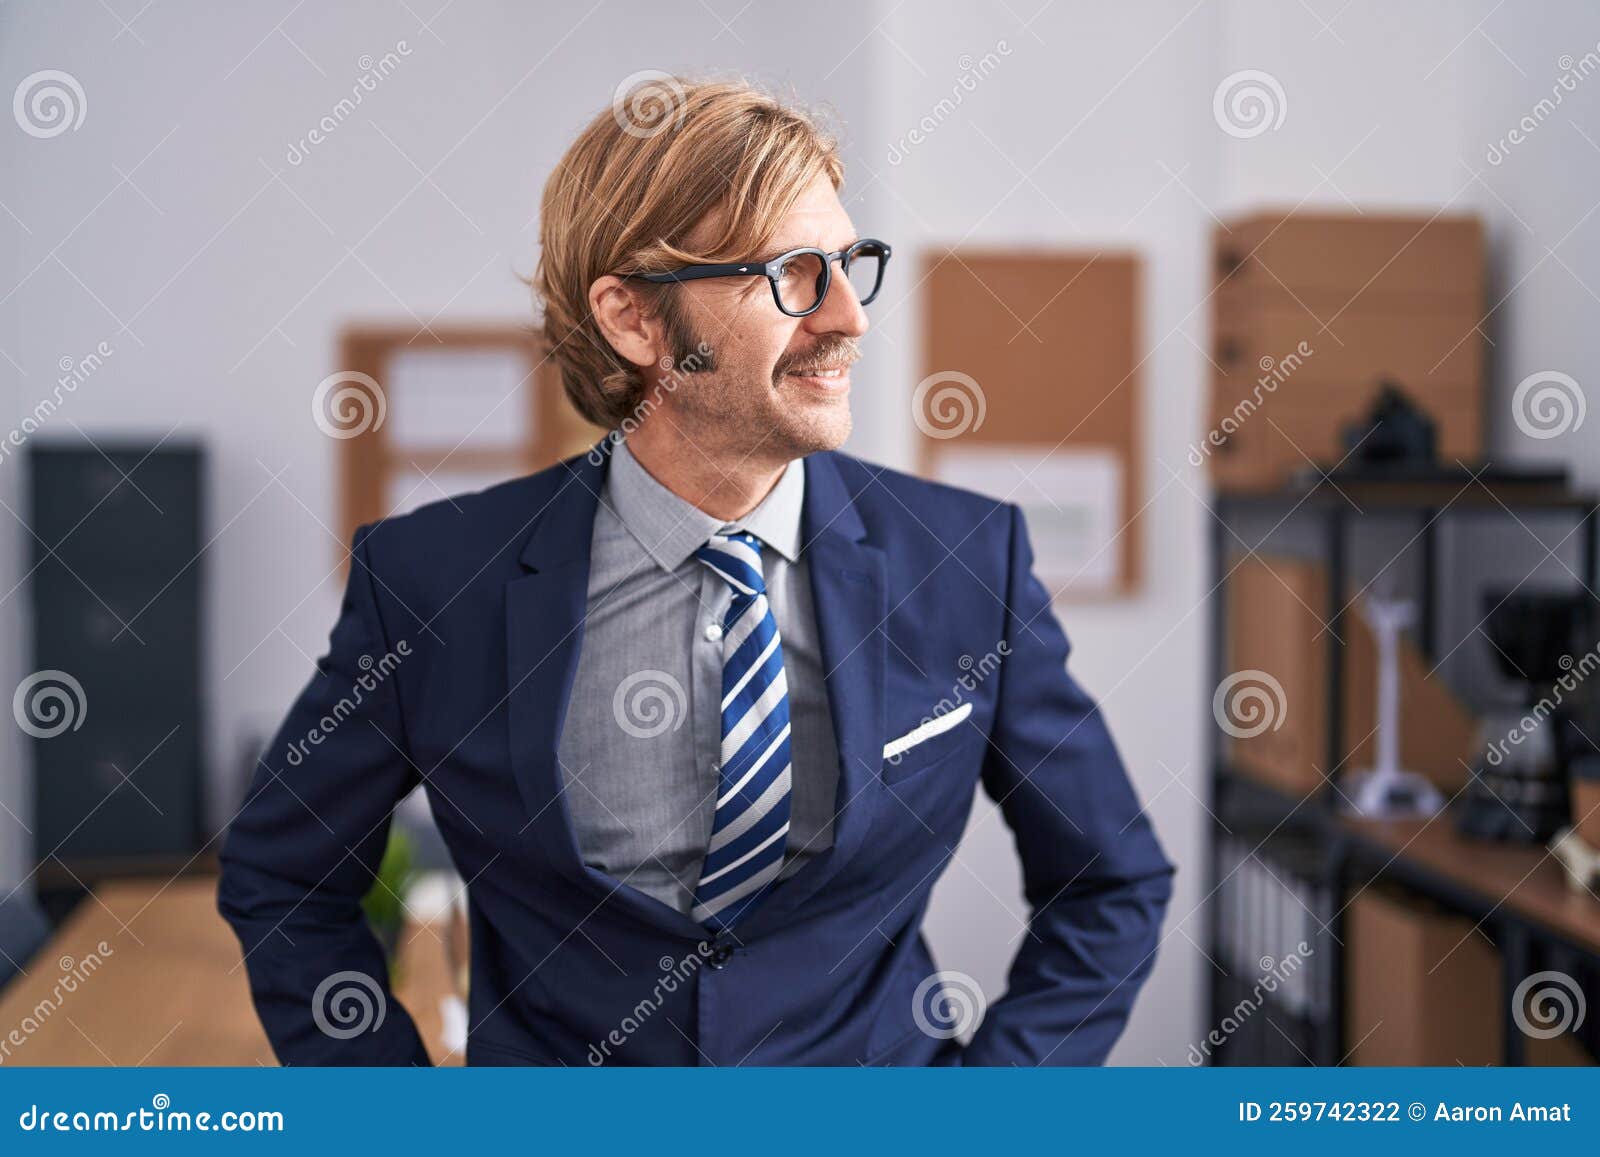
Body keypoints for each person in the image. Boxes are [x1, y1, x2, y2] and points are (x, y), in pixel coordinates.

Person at [218, 76, 1174, 1067]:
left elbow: (1112, 880)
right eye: (794, 272)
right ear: (634, 322)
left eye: (850, 264)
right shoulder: (433, 579)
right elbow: (284, 877)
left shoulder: (968, 562)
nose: (847, 315)